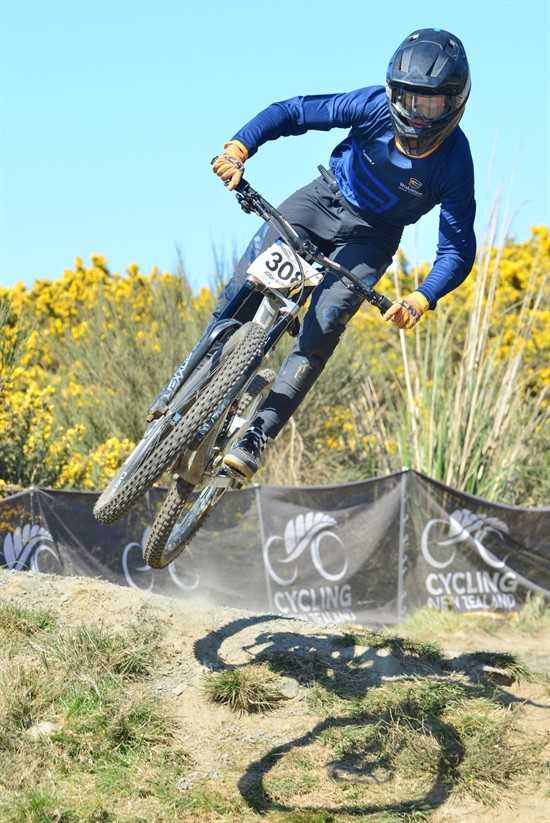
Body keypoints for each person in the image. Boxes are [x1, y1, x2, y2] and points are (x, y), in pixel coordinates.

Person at [211, 28, 476, 479]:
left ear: (453, 103)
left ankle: (258, 434)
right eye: (409, 98)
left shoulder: (455, 161)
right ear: (394, 93)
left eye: (430, 103)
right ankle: (200, 378)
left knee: (324, 324)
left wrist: (421, 297)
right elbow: (294, 112)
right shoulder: (371, 105)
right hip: (323, 199)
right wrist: (240, 146)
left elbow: (457, 248)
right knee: (245, 283)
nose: (417, 113)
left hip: (372, 239)